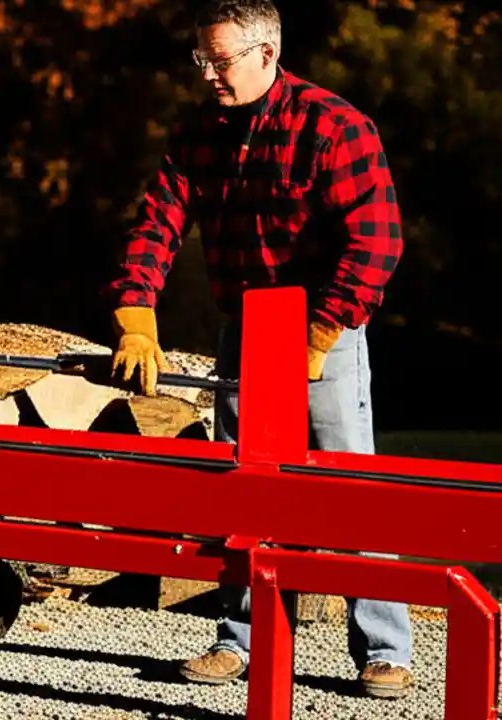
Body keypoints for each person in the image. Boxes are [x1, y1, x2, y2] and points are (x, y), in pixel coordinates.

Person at [101, 0, 413, 701]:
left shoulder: (333, 127)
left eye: (220, 61)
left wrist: (320, 333)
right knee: (244, 489)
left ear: (267, 53)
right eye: (201, 60)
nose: (208, 74)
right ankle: (239, 639)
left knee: (348, 490)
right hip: (244, 326)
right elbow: (156, 223)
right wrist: (136, 316)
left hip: (321, 329)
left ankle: (385, 650)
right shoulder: (200, 132)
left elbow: (378, 242)